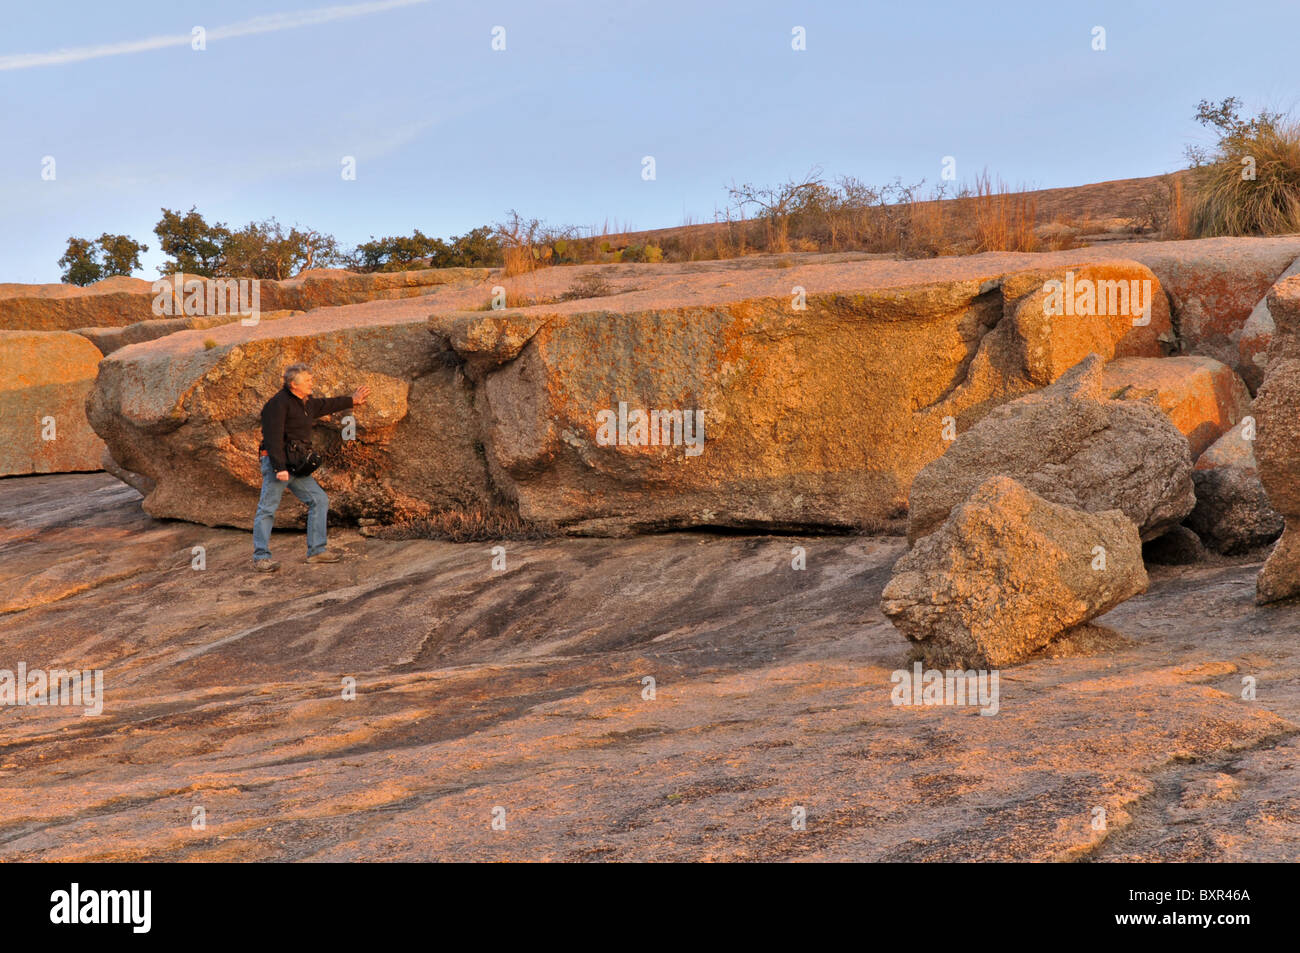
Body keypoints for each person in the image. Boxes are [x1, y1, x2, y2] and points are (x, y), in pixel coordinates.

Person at [252, 363, 370, 572]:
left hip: (297, 465)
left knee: (319, 499)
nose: (311, 383)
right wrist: (279, 467)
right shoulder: (278, 404)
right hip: (277, 465)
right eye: (306, 380)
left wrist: (352, 400)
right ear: (292, 384)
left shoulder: (305, 403)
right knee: (267, 508)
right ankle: (261, 557)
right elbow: (272, 437)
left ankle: (317, 552)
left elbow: (326, 405)